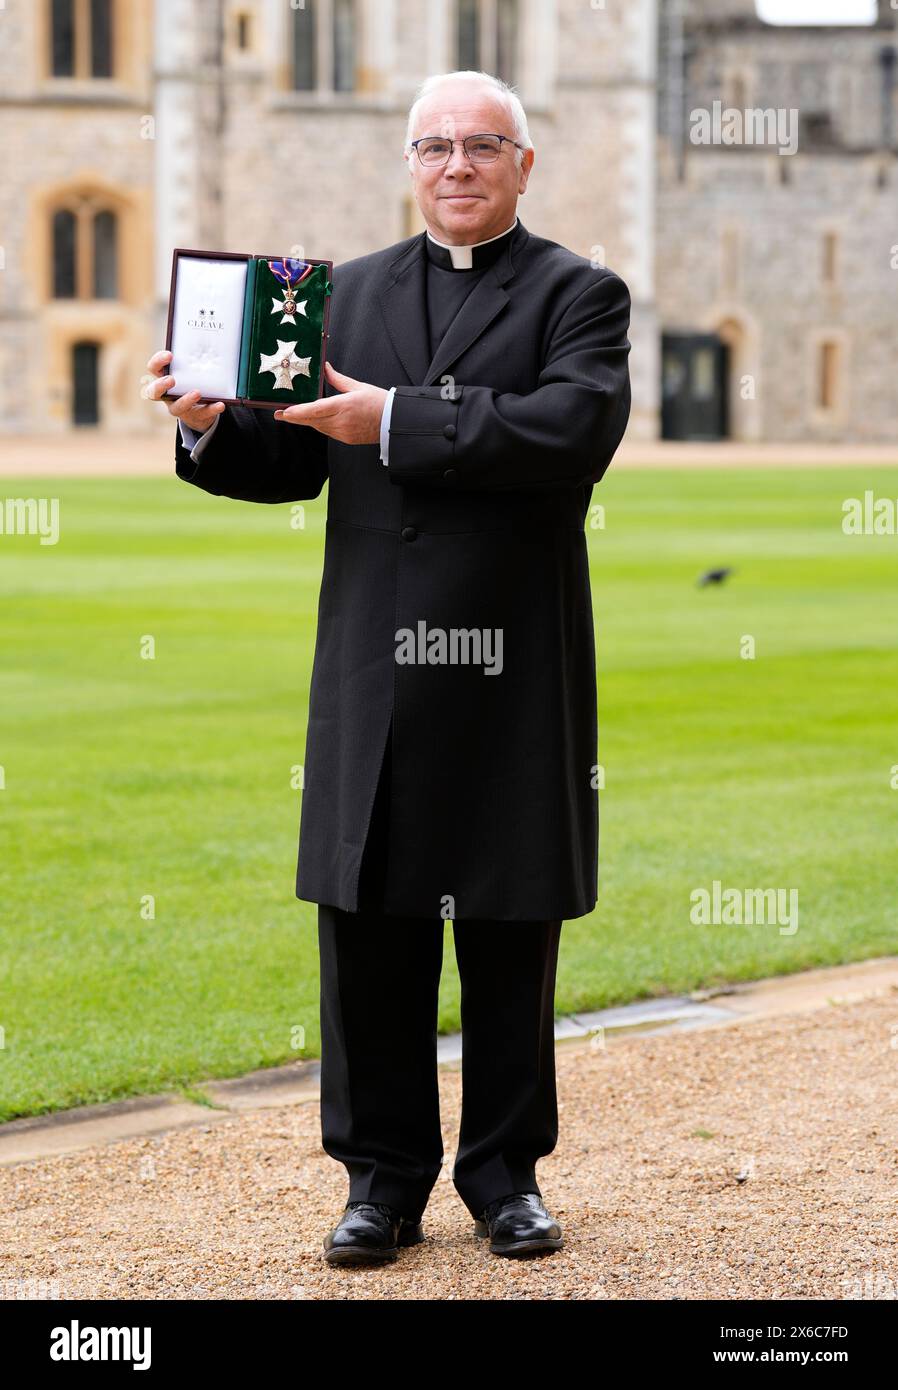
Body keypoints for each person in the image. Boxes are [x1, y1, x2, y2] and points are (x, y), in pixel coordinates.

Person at [145, 68, 631, 1265]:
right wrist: (209, 424)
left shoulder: (580, 292)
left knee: (510, 919)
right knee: (368, 920)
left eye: (480, 146)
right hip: (375, 659)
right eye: (433, 147)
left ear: (524, 164)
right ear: (408, 164)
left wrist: (398, 421)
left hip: (512, 658)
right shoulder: (334, 293)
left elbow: (572, 431)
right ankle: (381, 1181)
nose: (455, 166)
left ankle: (506, 1175)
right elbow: (286, 458)